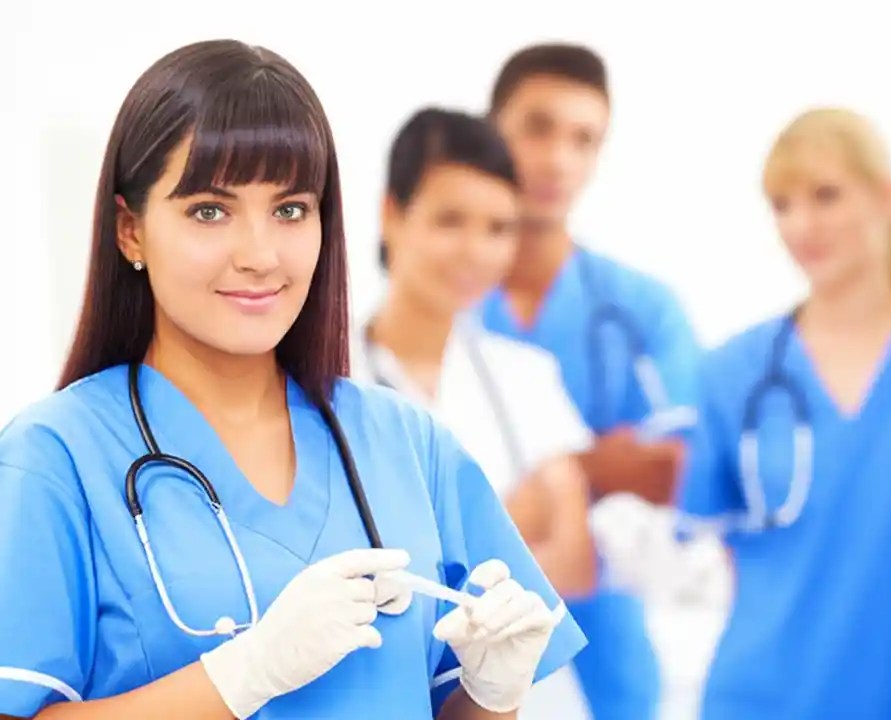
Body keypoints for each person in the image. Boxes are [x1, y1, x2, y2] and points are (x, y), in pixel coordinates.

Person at [0, 41, 585, 720]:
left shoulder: (408, 445)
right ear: (130, 230)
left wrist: (493, 693)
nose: (260, 255)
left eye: (290, 210)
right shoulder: (54, 458)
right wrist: (241, 675)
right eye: (209, 211)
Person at [677, 107, 891, 719]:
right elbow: (708, 541)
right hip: (764, 698)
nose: (802, 224)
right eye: (782, 204)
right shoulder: (734, 370)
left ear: (886, 195)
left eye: (825, 196)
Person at [478, 43, 701, 720]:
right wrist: (598, 464)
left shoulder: (642, 309)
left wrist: (549, 472)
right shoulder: (445, 310)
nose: (558, 160)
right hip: (464, 665)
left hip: (606, 664)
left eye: (584, 139)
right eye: (539, 127)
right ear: (492, 129)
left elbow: (683, 473)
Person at [353, 107, 597, 719]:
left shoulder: (527, 376)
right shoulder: (330, 383)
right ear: (391, 214)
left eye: (497, 227)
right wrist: (511, 523)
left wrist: (419, 554)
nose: (475, 250)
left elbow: (575, 560)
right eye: (450, 220)